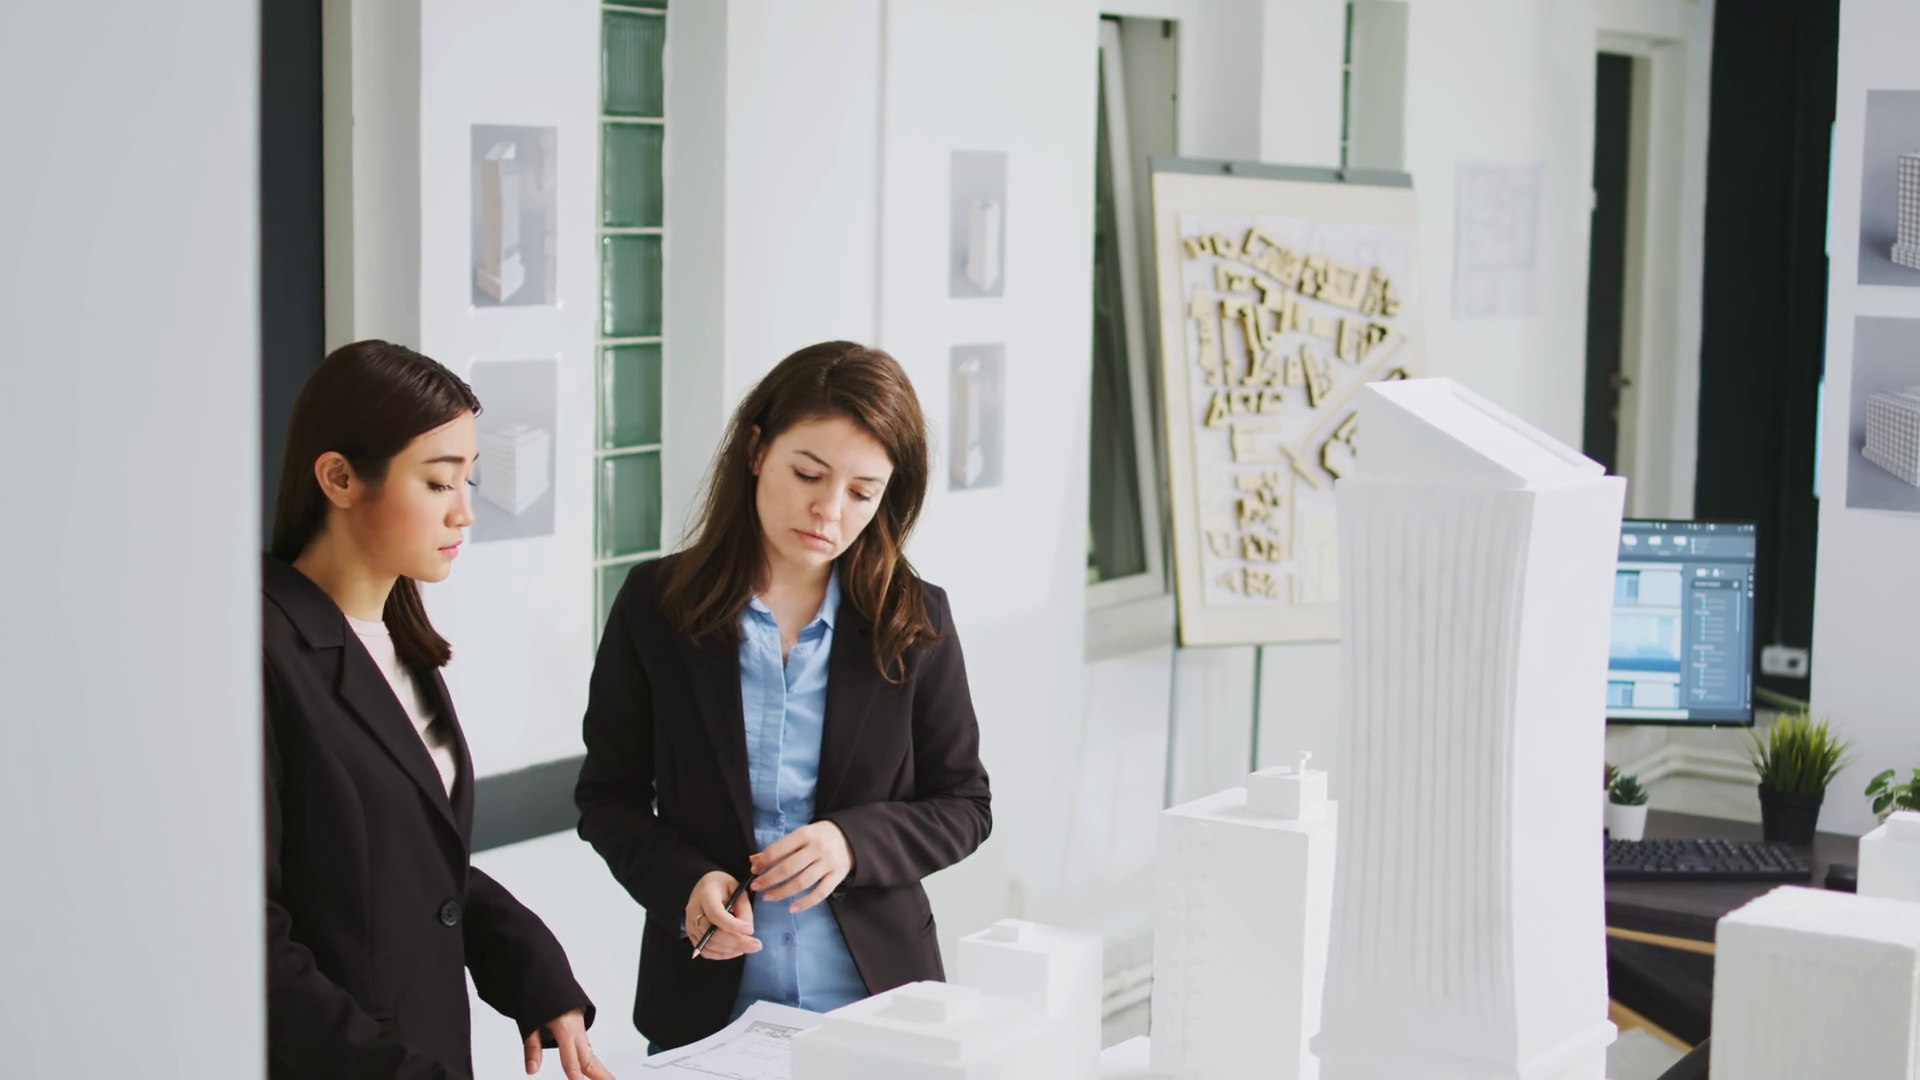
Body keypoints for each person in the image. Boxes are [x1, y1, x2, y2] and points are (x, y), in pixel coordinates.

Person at [575, 341, 993, 1052]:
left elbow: (964, 805)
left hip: (879, 1006)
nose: (829, 511)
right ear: (756, 450)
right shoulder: (656, 606)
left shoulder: (915, 619)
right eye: (808, 473)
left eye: (862, 492)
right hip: (708, 1013)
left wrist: (851, 843)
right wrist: (686, 884)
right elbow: (607, 798)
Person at [264, 341, 613, 1079]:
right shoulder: (258, 650)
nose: (465, 512)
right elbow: (250, 938)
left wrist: (533, 972)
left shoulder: (401, 645)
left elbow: (412, 862)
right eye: (438, 482)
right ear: (338, 477)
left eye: (470, 480)